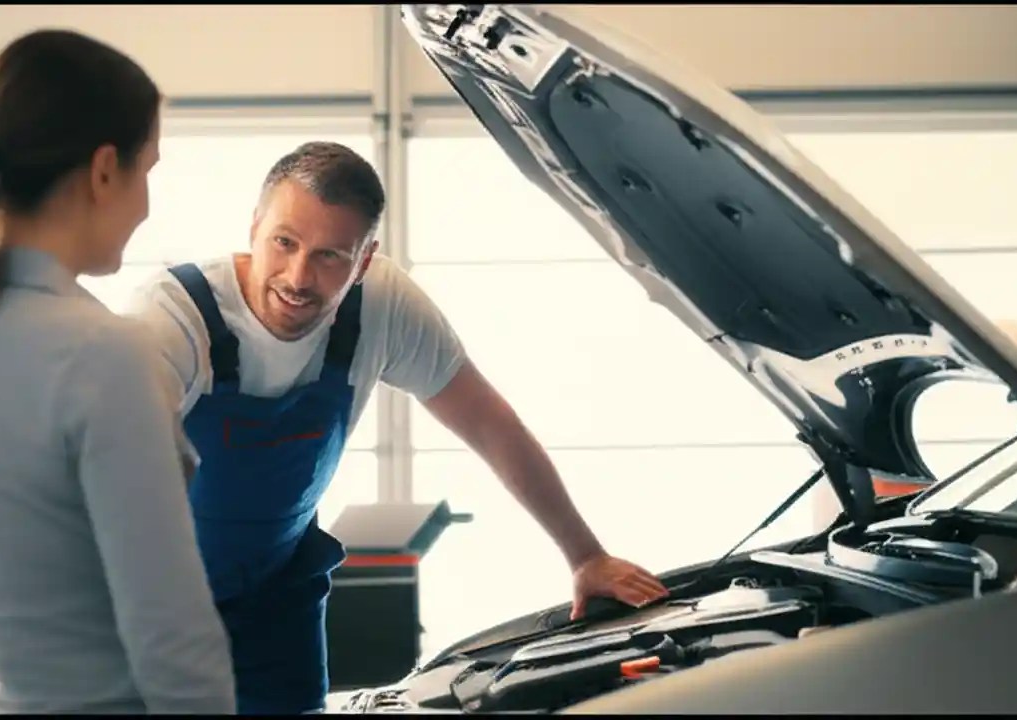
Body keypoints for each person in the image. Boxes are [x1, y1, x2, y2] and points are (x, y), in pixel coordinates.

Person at [126, 140, 670, 714]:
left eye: (330, 255)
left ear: (364, 261)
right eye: (284, 242)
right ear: (255, 227)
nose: (298, 276)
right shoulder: (172, 317)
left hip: (275, 596)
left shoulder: (380, 308)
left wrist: (585, 556)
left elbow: (489, 424)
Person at [0, 29, 235, 714]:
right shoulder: (107, 358)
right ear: (104, 170)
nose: (146, 203)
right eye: (147, 170)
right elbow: (176, 652)